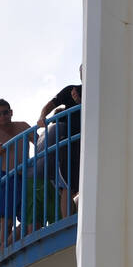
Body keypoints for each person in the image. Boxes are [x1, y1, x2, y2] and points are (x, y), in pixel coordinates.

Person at [0, 100, 32, 250]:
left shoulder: (22, 126)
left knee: (30, 217)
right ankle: (4, 249)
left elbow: (39, 141)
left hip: (25, 176)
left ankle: (8, 246)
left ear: (11, 112)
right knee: (7, 219)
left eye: (5, 112)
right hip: (5, 176)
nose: (3, 116)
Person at [38, 73, 82, 217]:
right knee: (67, 182)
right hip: (71, 141)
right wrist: (42, 117)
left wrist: (81, 102)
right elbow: (51, 104)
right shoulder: (72, 89)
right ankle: (67, 220)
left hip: (90, 141)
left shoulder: (100, 93)